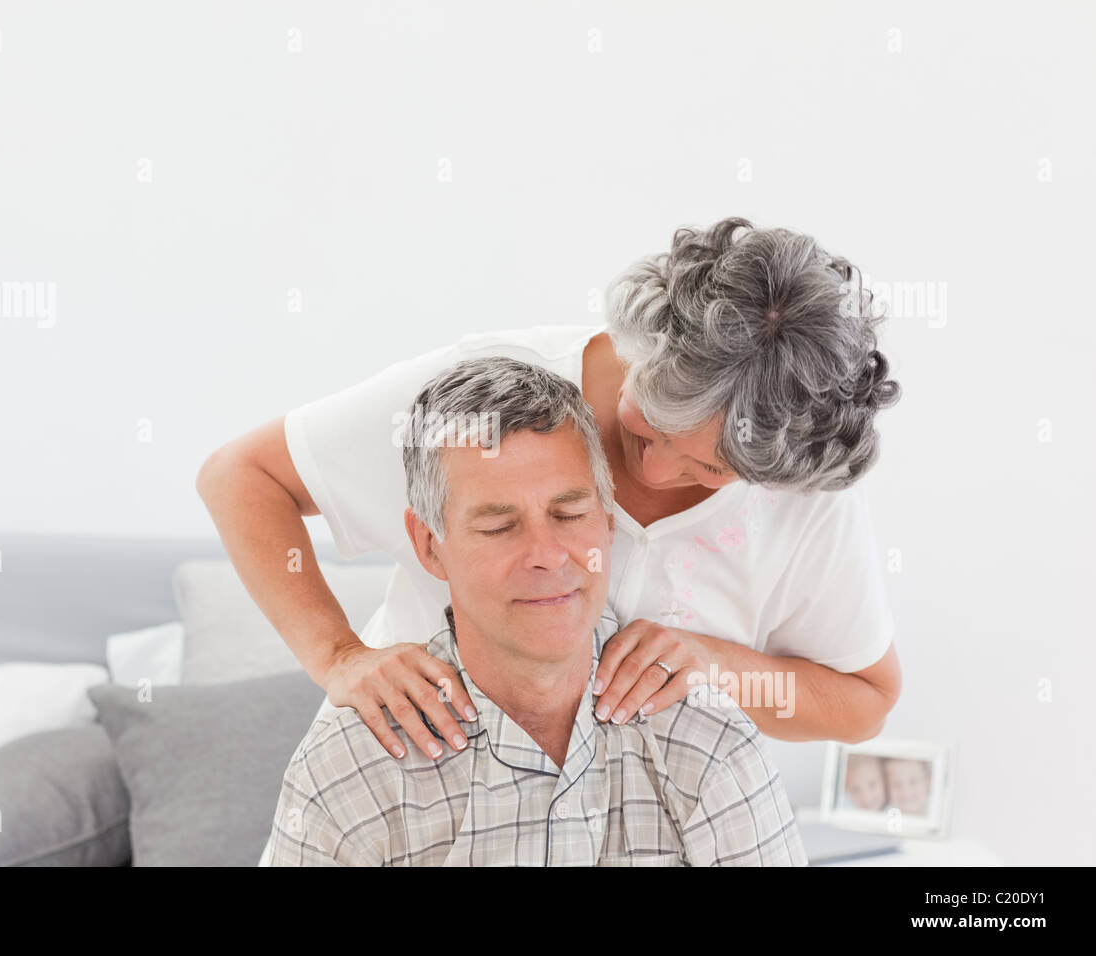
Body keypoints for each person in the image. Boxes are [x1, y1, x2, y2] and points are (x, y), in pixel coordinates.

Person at [197, 216, 903, 770]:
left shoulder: (798, 482)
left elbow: (864, 703)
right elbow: (240, 475)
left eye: (709, 470)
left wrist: (715, 667)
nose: (655, 476)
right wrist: (339, 657)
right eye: (650, 426)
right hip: (413, 791)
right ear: (640, 348)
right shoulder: (482, 399)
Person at [269, 357, 807, 865]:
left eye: (570, 514)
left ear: (608, 520)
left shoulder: (710, 743)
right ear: (430, 544)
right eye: (499, 527)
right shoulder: (350, 769)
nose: (547, 557)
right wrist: (338, 655)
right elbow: (239, 475)